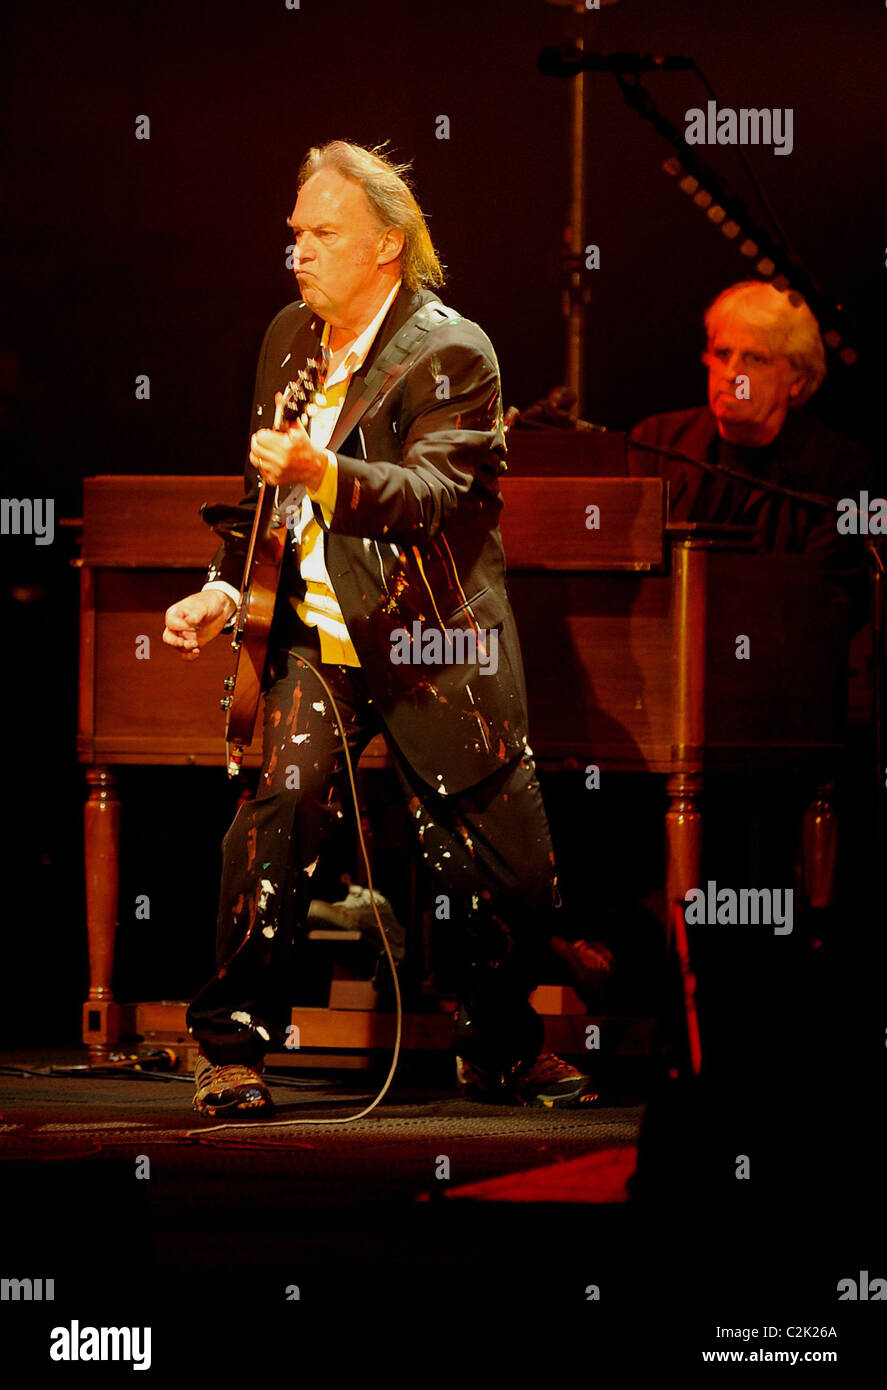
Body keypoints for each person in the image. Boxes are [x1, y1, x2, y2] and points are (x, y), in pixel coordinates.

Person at [162, 141, 598, 1117]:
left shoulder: (450, 348)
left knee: (516, 879)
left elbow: (437, 496)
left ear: (387, 247)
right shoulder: (289, 336)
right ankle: (229, 1043)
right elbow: (260, 499)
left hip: (430, 642)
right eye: (294, 234)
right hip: (316, 641)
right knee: (276, 815)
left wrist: (326, 476)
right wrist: (224, 593)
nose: (299, 254)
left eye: (322, 235)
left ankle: (495, 1043)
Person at [628, 280, 871, 624]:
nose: (731, 374)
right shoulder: (656, 442)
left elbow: (832, 603)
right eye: (723, 354)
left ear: (798, 380)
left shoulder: (840, 471)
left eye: (755, 359)